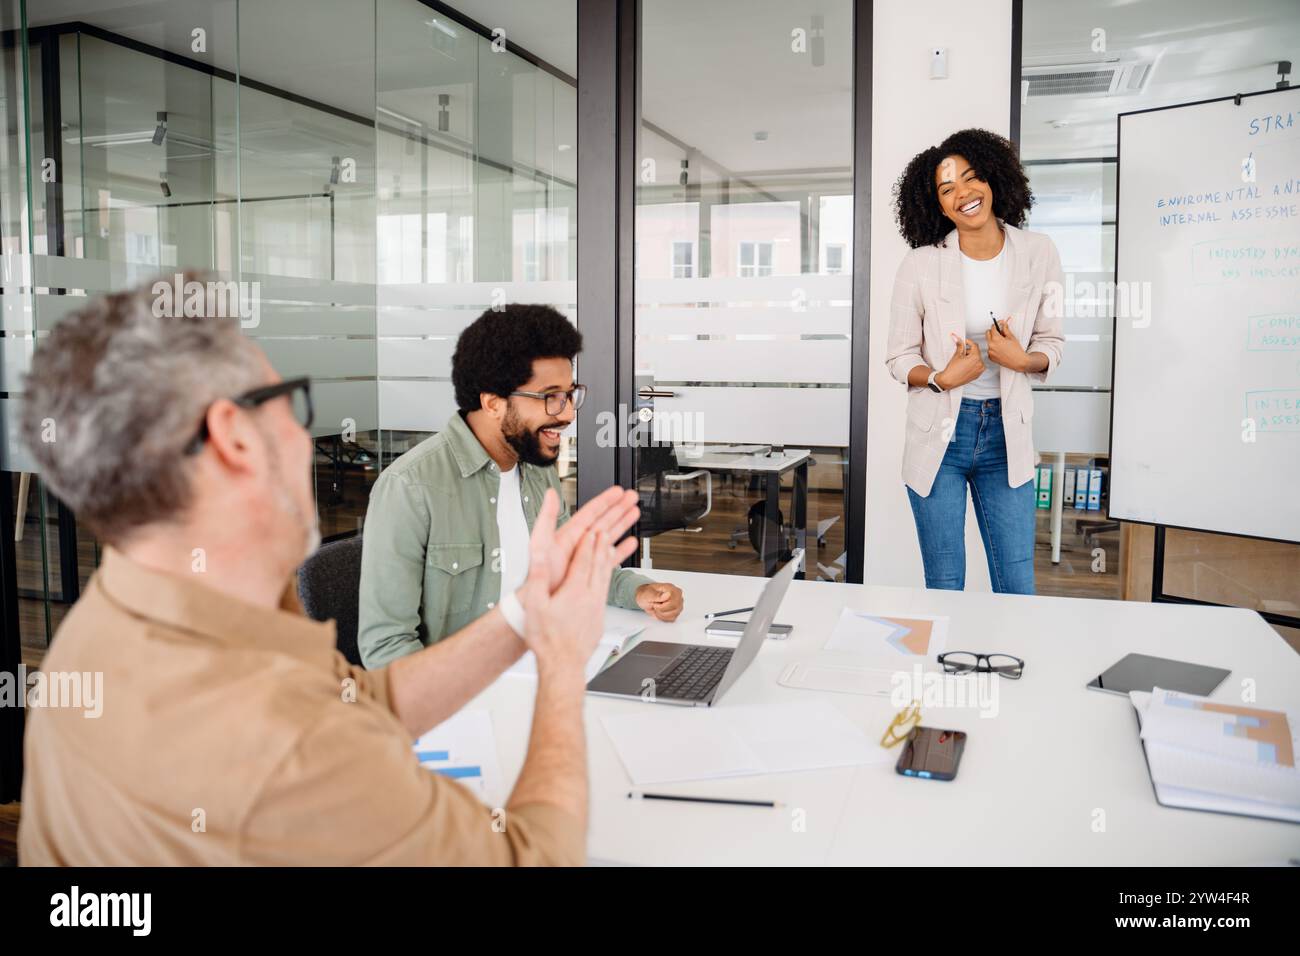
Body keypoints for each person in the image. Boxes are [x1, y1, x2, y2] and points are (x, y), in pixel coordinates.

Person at [18, 276, 640, 865]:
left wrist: (526, 614)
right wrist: (561, 670)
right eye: (290, 404)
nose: (303, 433)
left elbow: (368, 698)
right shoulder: (290, 745)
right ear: (235, 437)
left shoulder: (120, 614)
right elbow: (532, 858)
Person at [358, 303, 684, 669]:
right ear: (493, 403)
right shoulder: (410, 487)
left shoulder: (536, 467)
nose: (568, 413)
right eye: (550, 397)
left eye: (570, 393)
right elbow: (386, 648)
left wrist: (636, 591)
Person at [885, 128, 1065, 594]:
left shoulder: (1038, 252)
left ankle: (1012, 665)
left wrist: (1022, 360)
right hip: (939, 438)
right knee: (945, 583)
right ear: (937, 205)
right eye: (947, 189)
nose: (963, 193)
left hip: (1007, 435)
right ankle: (949, 669)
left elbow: (1054, 342)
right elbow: (899, 357)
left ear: (992, 179)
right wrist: (942, 378)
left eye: (970, 178)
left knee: (1016, 582)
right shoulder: (921, 264)